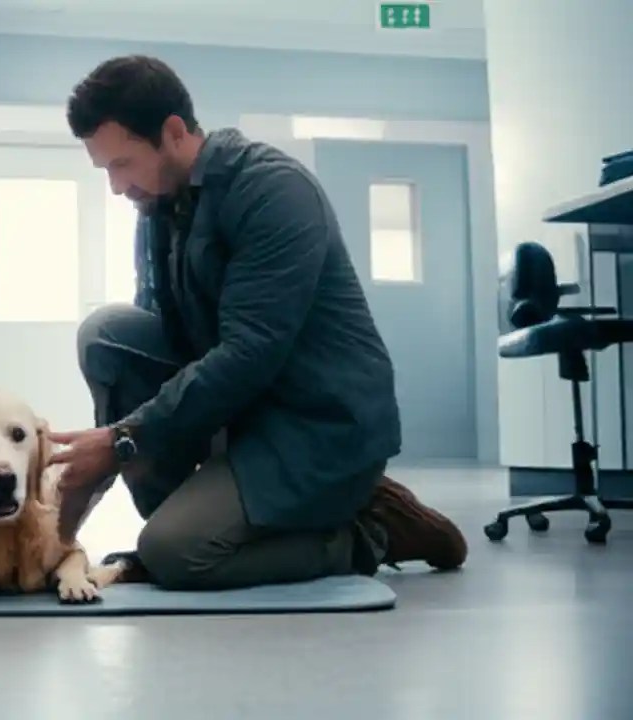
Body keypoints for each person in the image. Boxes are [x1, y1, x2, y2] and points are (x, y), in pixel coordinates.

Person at [47, 55, 468, 591]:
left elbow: (250, 353)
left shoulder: (272, 191)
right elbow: (163, 342)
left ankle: (372, 529)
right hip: (246, 410)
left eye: (122, 164)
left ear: (173, 132)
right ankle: (198, 514)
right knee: (107, 334)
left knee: (177, 554)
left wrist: (124, 440)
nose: (116, 186)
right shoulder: (160, 205)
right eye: (106, 170)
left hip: (316, 425)